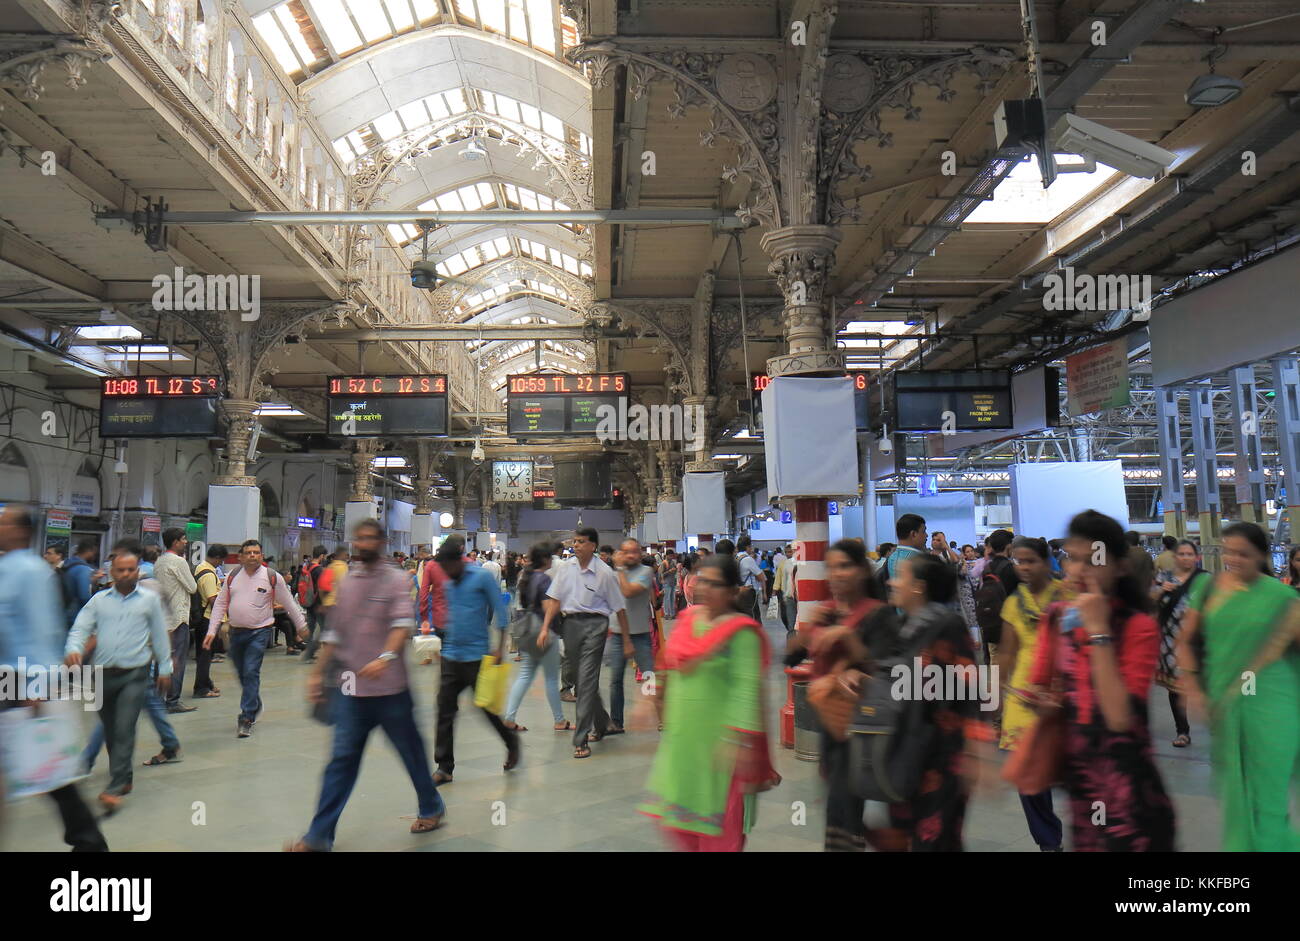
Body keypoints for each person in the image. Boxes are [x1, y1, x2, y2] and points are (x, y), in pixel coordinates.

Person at [290, 520, 444, 851]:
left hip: (391, 691)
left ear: (382, 541)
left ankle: (431, 805)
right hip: (350, 690)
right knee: (341, 762)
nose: (364, 543)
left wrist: (386, 657)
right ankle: (318, 837)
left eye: (370, 538)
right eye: (359, 538)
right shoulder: (348, 582)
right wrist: (317, 673)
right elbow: (334, 633)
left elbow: (403, 625)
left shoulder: (395, 579)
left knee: (411, 753)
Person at [1029, 510, 1174, 852]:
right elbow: (1050, 689)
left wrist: (1098, 633)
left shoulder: (1138, 626)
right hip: (1082, 786)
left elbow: (1119, 717)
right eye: (1072, 558)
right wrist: (1046, 704)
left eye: (1093, 560)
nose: (1078, 570)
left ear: (1120, 566)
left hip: (1129, 792)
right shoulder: (1062, 619)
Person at [639, 554, 780, 851]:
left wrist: (738, 740)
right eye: (702, 581)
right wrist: (651, 697)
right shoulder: (687, 619)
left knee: (720, 833)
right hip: (684, 744)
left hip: (722, 749)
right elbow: (668, 664)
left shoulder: (742, 633)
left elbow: (747, 689)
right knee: (681, 827)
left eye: (715, 584)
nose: (705, 589)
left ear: (732, 592)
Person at [1177, 521, 1300, 851]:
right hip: (1226, 705)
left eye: (1243, 554)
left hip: (1273, 706)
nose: (1233, 559)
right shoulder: (1210, 588)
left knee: (1268, 797)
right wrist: (1194, 687)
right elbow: (1186, 641)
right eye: (1228, 551)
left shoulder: (1282, 596)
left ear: (1261, 555)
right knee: (1235, 795)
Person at [0, 505, 108, 850]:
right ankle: (87, 838)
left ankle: (88, 840)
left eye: (3, 522)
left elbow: (43, 630)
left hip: (21, 680)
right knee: (38, 766)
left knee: (46, 767)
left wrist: (36, 687)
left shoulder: (31, 571)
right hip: (8, 677)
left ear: (20, 531)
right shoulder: (6, 568)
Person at [869, 552, 987, 851]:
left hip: (941, 759)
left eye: (901, 576)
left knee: (935, 840)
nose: (892, 582)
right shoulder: (905, 626)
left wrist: (976, 752)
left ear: (919, 587)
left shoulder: (948, 626)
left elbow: (970, 691)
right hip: (906, 755)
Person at [796, 540, 899, 851]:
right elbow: (792, 657)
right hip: (832, 723)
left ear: (862, 571)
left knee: (845, 801)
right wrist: (808, 634)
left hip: (866, 724)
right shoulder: (827, 613)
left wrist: (847, 639)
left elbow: (888, 666)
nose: (836, 575)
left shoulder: (879, 615)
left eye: (845, 566)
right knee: (839, 800)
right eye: (831, 568)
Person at [65, 545, 173, 813]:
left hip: (134, 674)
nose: (126, 574)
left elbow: (160, 636)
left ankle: (114, 787)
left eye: (131, 569)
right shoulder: (99, 600)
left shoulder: (148, 601)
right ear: (111, 573)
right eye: (120, 570)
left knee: (124, 727)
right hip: (101, 676)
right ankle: (124, 778)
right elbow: (80, 628)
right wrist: (73, 649)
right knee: (112, 730)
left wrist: (165, 668)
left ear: (137, 571)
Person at [996, 536, 1074, 852]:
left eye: (1030, 561)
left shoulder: (1067, 597)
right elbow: (1006, 655)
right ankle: (1048, 841)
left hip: (1064, 696)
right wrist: (996, 699)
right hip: (1024, 700)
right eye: (1018, 561)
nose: (1023, 567)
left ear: (1046, 562)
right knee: (1029, 783)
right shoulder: (1014, 603)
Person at [541, 527, 633, 759]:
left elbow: (619, 608)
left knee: (587, 679)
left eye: (582, 542)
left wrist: (627, 639)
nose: (577, 545)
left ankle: (581, 739)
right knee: (580, 680)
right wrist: (544, 628)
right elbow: (554, 600)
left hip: (596, 626)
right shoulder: (566, 568)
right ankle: (604, 723)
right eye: (575, 541)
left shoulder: (604, 573)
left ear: (593, 546)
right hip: (570, 625)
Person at [431, 539, 518, 783]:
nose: (445, 573)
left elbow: (500, 612)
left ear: (458, 561)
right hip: (451, 654)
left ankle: (511, 741)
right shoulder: (448, 583)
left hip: (476, 656)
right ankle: (444, 767)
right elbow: (452, 617)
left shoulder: (482, 578)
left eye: (448, 567)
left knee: (485, 707)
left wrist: (500, 647)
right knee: (445, 710)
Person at [203, 539, 306, 738]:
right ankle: (255, 703)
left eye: (256, 552)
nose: (252, 555)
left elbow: (289, 604)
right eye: (248, 552)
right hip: (236, 632)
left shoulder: (271, 577)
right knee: (242, 673)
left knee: (251, 672)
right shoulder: (232, 576)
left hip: (260, 632)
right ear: (240, 557)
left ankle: (246, 716)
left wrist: (301, 626)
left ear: (261, 556)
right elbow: (220, 604)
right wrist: (211, 631)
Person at [502, 543, 571, 733]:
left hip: (527, 632)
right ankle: (559, 720)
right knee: (550, 678)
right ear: (546, 559)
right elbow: (549, 608)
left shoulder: (526, 577)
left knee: (524, 675)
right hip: (544, 633)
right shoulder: (544, 580)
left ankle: (509, 718)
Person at [1153, 540, 1206, 748]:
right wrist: (1160, 591)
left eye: (1189, 554)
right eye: (1181, 554)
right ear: (1175, 557)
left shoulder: (1205, 580)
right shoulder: (1163, 578)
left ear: (1197, 557)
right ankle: (1182, 731)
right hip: (1170, 641)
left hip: (1198, 642)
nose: (1185, 558)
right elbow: (1150, 601)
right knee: (1175, 689)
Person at [605, 538, 658, 735]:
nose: (630, 556)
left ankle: (656, 715)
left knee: (649, 677)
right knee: (615, 680)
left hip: (640, 634)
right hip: (618, 634)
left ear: (640, 553)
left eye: (634, 552)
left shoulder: (645, 571)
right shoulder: (613, 574)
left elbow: (628, 592)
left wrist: (619, 570)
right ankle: (616, 722)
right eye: (626, 552)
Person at [154, 528, 197, 713]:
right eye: (183, 539)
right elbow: (193, 587)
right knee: (177, 660)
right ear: (175, 542)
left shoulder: (159, 561)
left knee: (161, 660)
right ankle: (172, 701)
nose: (186, 542)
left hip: (161, 618)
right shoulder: (179, 562)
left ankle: (157, 700)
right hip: (178, 619)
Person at [191, 543, 224, 698]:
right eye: (221, 560)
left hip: (202, 618)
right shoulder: (209, 575)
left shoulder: (200, 568)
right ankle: (201, 688)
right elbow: (212, 599)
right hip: (208, 619)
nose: (221, 564)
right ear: (217, 558)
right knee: (205, 655)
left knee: (204, 654)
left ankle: (206, 682)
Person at [298, 545, 328, 663]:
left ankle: (309, 654)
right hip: (318, 603)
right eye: (324, 556)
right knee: (326, 629)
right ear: (321, 556)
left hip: (309, 603)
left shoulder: (307, 566)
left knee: (311, 628)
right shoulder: (319, 570)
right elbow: (322, 588)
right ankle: (326, 655)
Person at [659, 550, 678, 620]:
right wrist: (669, 571)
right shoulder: (664, 563)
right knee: (667, 599)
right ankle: (666, 614)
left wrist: (675, 570)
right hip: (666, 583)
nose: (671, 557)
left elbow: (675, 570)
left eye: (672, 555)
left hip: (672, 582)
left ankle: (672, 614)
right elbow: (661, 575)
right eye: (670, 555)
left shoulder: (673, 562)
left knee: (672, 598)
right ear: (666, 555)